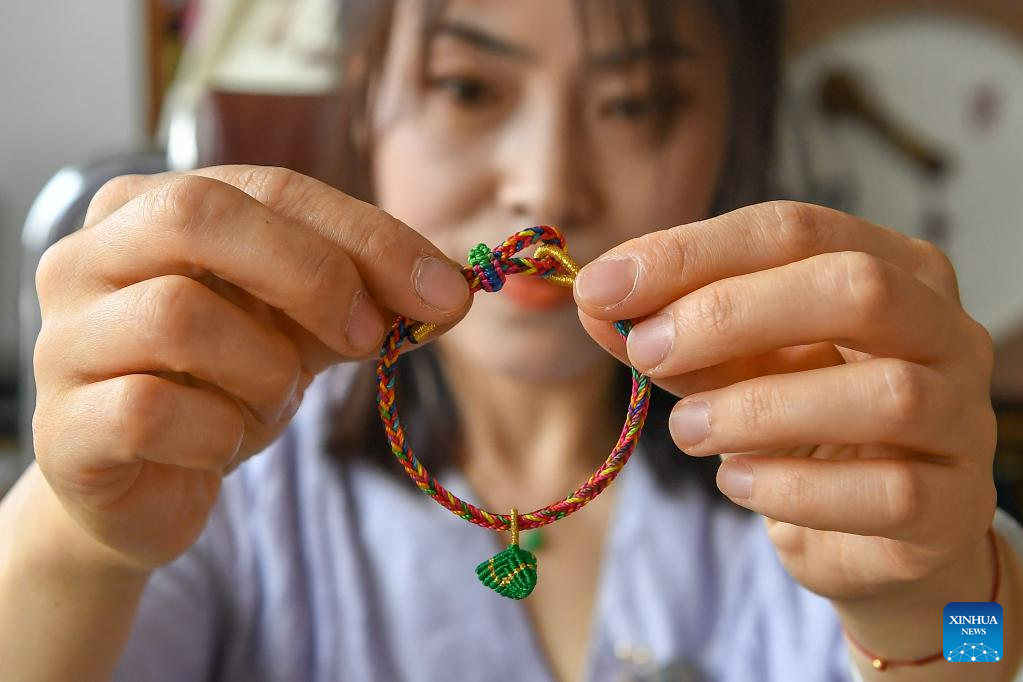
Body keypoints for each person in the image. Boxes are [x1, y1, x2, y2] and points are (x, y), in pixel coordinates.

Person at [1, 1, 1021, 680]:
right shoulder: (223, 480)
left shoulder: (842, 467)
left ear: (733, 126)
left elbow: (989, 659)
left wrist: (948, 614)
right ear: (366, 98)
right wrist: (72, 539)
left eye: (635, 103)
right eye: (469, 88)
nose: (544, 183)